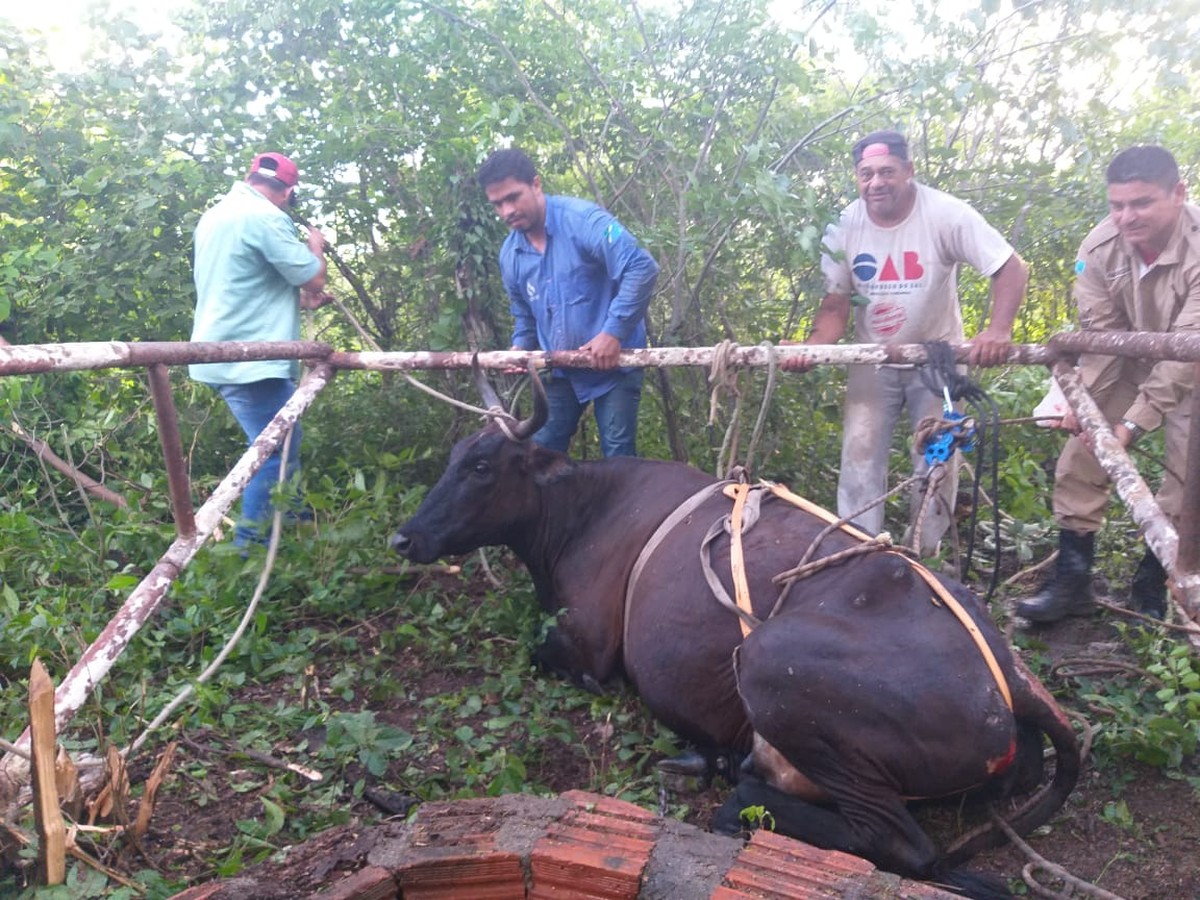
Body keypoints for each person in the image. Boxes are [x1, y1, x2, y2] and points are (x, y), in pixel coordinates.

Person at [782, 130, 1028, 554]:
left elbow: (1010, 267)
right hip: (873, 358)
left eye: (886, 172)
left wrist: (998, 330)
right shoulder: (843, 225)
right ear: (856, 178)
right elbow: (836, 304)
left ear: (908, 172)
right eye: (866, 174)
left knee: (937, 462)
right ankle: (858, 553)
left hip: (937, 359)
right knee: (859, 459)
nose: (876, 183)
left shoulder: (946, 213)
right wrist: (812, 347)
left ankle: (924, 557)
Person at [1017, 145, 1200, 623]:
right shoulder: (1098, 247)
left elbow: (1187, 353)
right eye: (1116, 205)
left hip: (1195, 367)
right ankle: (1073, 582)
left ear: (1178, 194)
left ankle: (1155, 583)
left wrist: (1133, 426)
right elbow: (1101, 337)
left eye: (1141, 203)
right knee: (1082, 454)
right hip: (1132, 359)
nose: (1126, 217)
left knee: (1188, 481)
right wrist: (1088, 407)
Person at [477, 148, 659, 458]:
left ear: (536, 184)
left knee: (618, 459)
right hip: (559, 371)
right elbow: (524, 314)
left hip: (614, 367)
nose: (507, 211)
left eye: (513, 197)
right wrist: (520, 348)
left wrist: (612, 333)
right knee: (537, 458)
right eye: (497, 204)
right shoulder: (510, 255)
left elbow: (641, 268)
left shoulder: (583, 221)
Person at [189, 151, 332, 547]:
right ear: (286, 192)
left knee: (285, 440)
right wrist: (314, 245)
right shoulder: (266, 217)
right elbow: (313, 278)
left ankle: (301, 533)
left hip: (219, 351)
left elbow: (242, 286)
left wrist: (298, 303)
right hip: (250, 360)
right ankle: (249, 553)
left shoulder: (216, 216)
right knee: (275, 450)